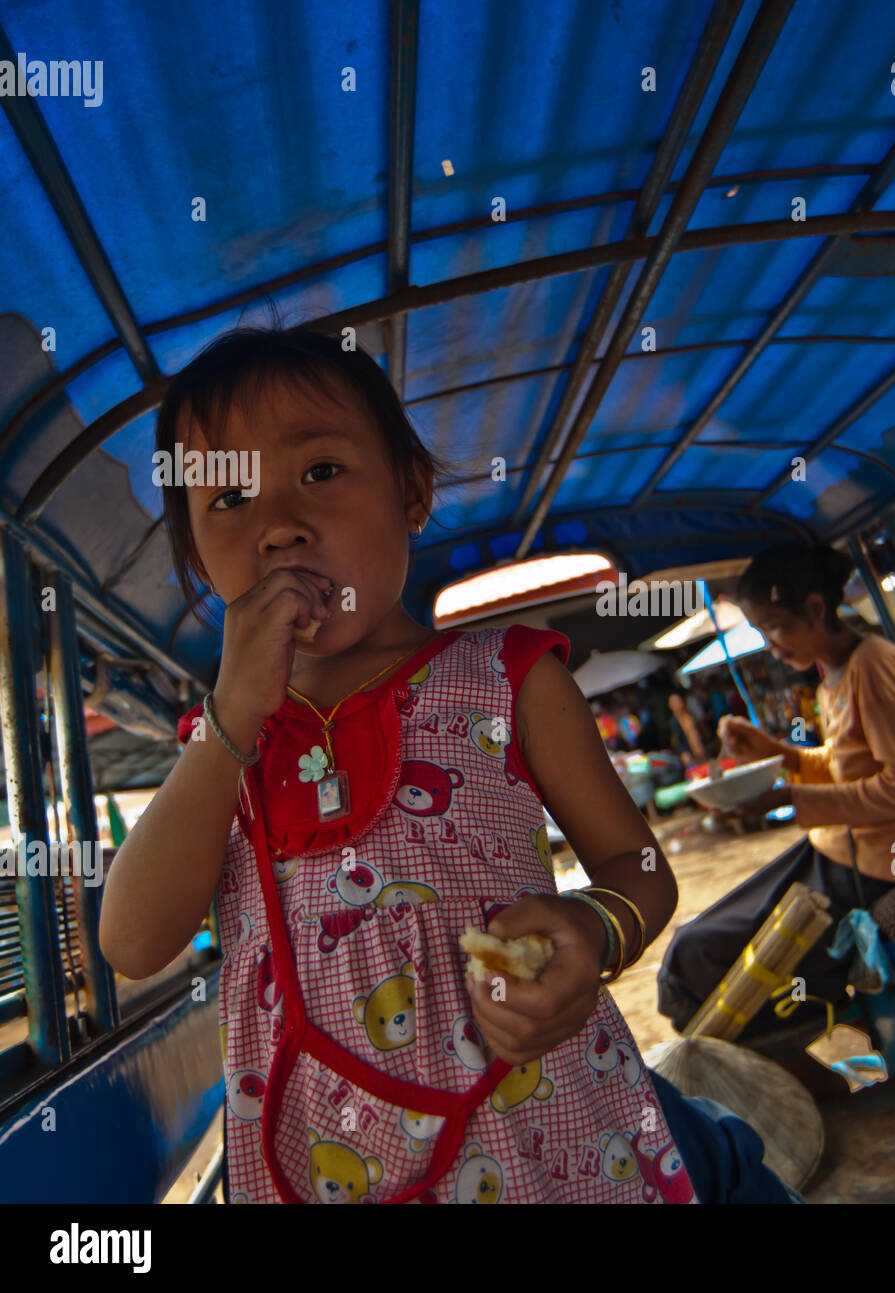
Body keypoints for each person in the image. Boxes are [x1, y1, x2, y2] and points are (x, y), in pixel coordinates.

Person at [97, 326, 797, 1204]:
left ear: (412, 492)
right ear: (200, 556)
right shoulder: (222, 745)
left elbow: (643, 868)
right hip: (316, 1162)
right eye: (228, 498)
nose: (278, 526)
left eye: (319, 472)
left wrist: (595, 929)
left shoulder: (509, 678)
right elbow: (131, 942)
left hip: (547, 1136)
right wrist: (231, 723)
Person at [658, 542, 895, 1039]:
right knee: (693, 949)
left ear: (816, 608)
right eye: (761, 632)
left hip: (877, 868)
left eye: (774, 628)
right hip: (832, 855)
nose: (771, 646)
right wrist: (780, 753)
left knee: (716, 962)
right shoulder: (832, 677)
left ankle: (808, 1068)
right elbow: (847, 769)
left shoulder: (875, 667)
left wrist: (788, 800)